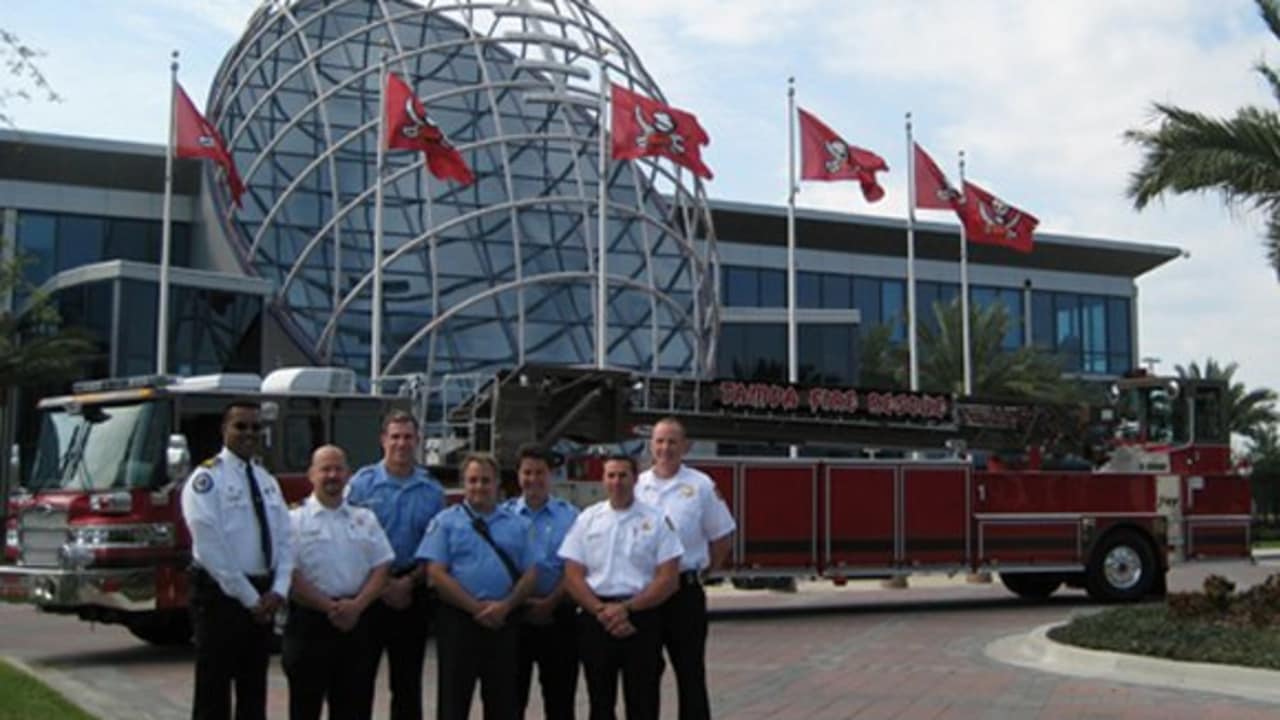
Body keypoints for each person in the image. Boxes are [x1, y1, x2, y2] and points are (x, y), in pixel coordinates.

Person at [181, 400, 293, 720]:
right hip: (220, 597)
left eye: (256, 427)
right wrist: (249, 597)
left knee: (253, 692)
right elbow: (209, 546)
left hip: (264, 597)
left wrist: (279, 591)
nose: (249, 433)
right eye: (240, 426)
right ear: (224, 430)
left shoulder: (266, 481)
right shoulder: (206, 480)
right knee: (213, 693)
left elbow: (286, 539)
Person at [559, 454, 682, 720]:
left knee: (643, 702)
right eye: (611, 475)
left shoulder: (658, 520)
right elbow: (572, 574)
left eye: (623, 475)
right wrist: (601, 610)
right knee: (600, 703)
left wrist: (626, 609)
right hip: (596, 618)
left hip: (641, 617)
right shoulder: (587, 519)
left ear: (636, 479)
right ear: (603, 480)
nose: (617, 482)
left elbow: (668, 578)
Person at [417, 453, 538, 720]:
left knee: (503, 701)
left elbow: (530, 574)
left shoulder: (519, 524)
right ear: (463, 483)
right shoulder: (445, 522)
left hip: (504, 621)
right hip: (458, 621)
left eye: (485, 480)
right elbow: (436, 573)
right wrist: (475, 608)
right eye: (473, 480)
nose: (479, 486)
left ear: (497, 484)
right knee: (453, 702)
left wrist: (504, 607)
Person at [346, 410, 446, 720]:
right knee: (358, 679)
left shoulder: (432, 490)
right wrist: (383, 584)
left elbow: (436, 547)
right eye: (395, 437)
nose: (401, 444)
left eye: (408, 437)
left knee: (407, 683)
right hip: (368, 591)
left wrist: (408, 582)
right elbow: (350, 539)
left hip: (411, 590)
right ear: (383, 440)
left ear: (417, 441)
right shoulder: (362, 486)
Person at [635, 418, 736, 720]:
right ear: (651, 446)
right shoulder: (638, 486)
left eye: (672, 442)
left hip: (685, 592)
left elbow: (722, 537)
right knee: (644, 675)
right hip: (647, 593)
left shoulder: (701, 485)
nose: (665, 448)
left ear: (685, 447)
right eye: (660, 441)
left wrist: (703, 573)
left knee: (690, 673)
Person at [284, 444, 394, 720]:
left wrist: (357, 606)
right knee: (304, 708)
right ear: (311, 474)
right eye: (325, 469)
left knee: (355, 708)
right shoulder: (293, 521)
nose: (332, 475)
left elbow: (382, 567)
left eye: (338, 468)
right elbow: (290, 574)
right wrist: (329, 607)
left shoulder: (365, 518)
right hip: (310, 624)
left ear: (348, 474)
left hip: (357, 624)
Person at [501, 444, 580, 720]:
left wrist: (551, 601)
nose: (533, 479)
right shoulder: (503, 516)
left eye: (539, 472)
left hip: (559, 616)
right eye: (527, 472)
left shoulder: (570, 516)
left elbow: (576, 568)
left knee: (560, 702)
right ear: (518, 475)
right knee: (510, 700)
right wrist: (520, 600)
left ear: (551, 475)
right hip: (514, 618)